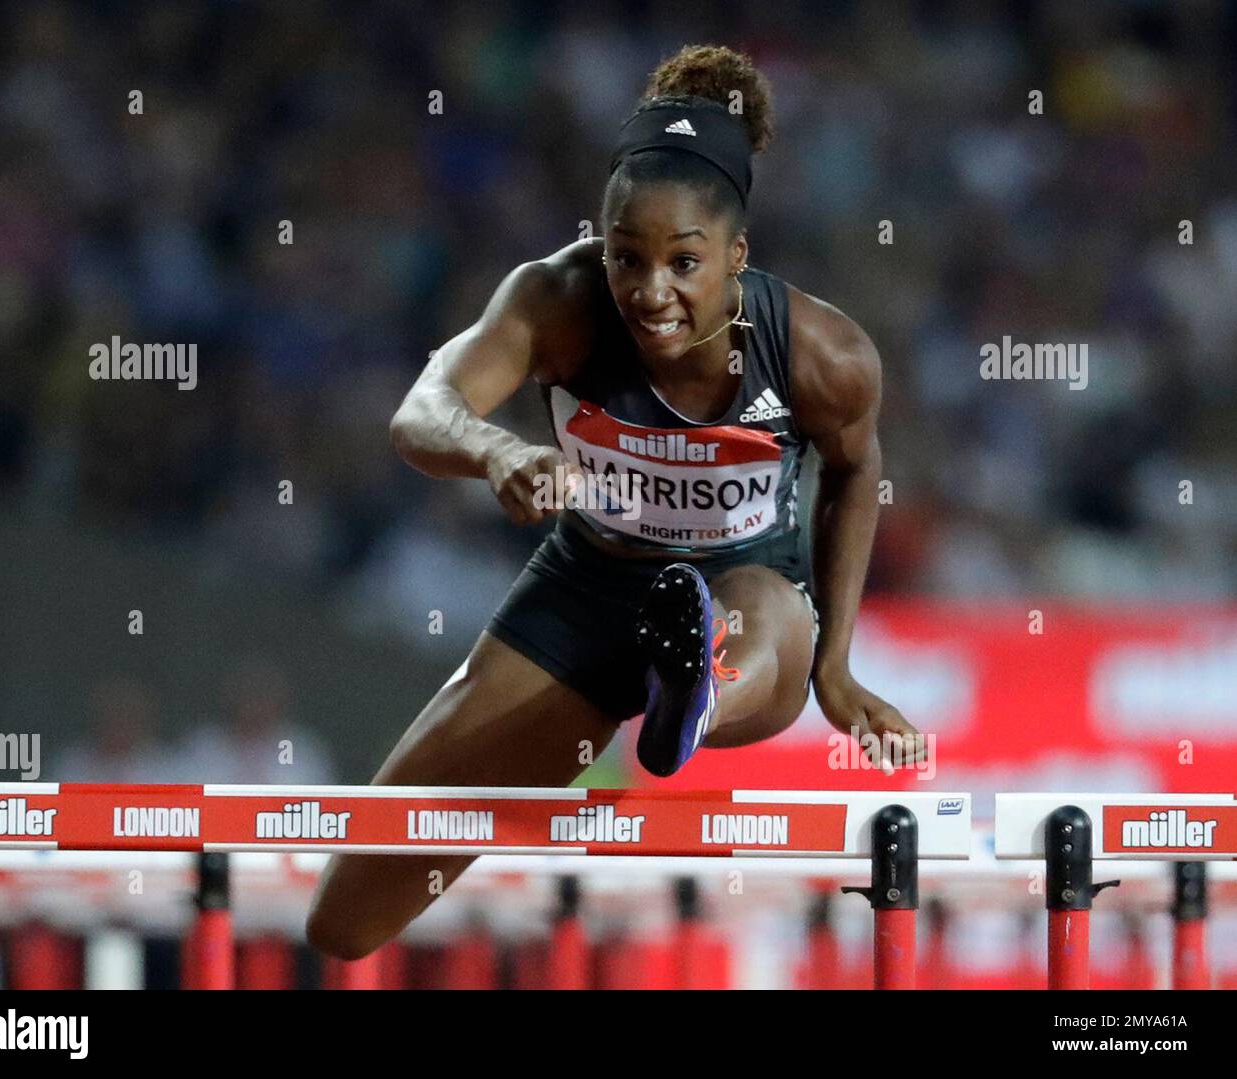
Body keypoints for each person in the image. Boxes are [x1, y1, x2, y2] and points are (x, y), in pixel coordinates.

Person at [307, 44, 922, 960]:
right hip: (586, 592)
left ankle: (693, 688)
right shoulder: (557, 297)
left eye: (684, 261)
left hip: (749, 597)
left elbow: (854, 471)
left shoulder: (819, 352)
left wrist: (834, 667)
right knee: (344, 920)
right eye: (626, 256)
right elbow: (423, 409)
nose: (650, 290)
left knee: (744, 613)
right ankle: (672, 678)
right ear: (600, 240)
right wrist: (498, 449)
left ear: (736, 255)